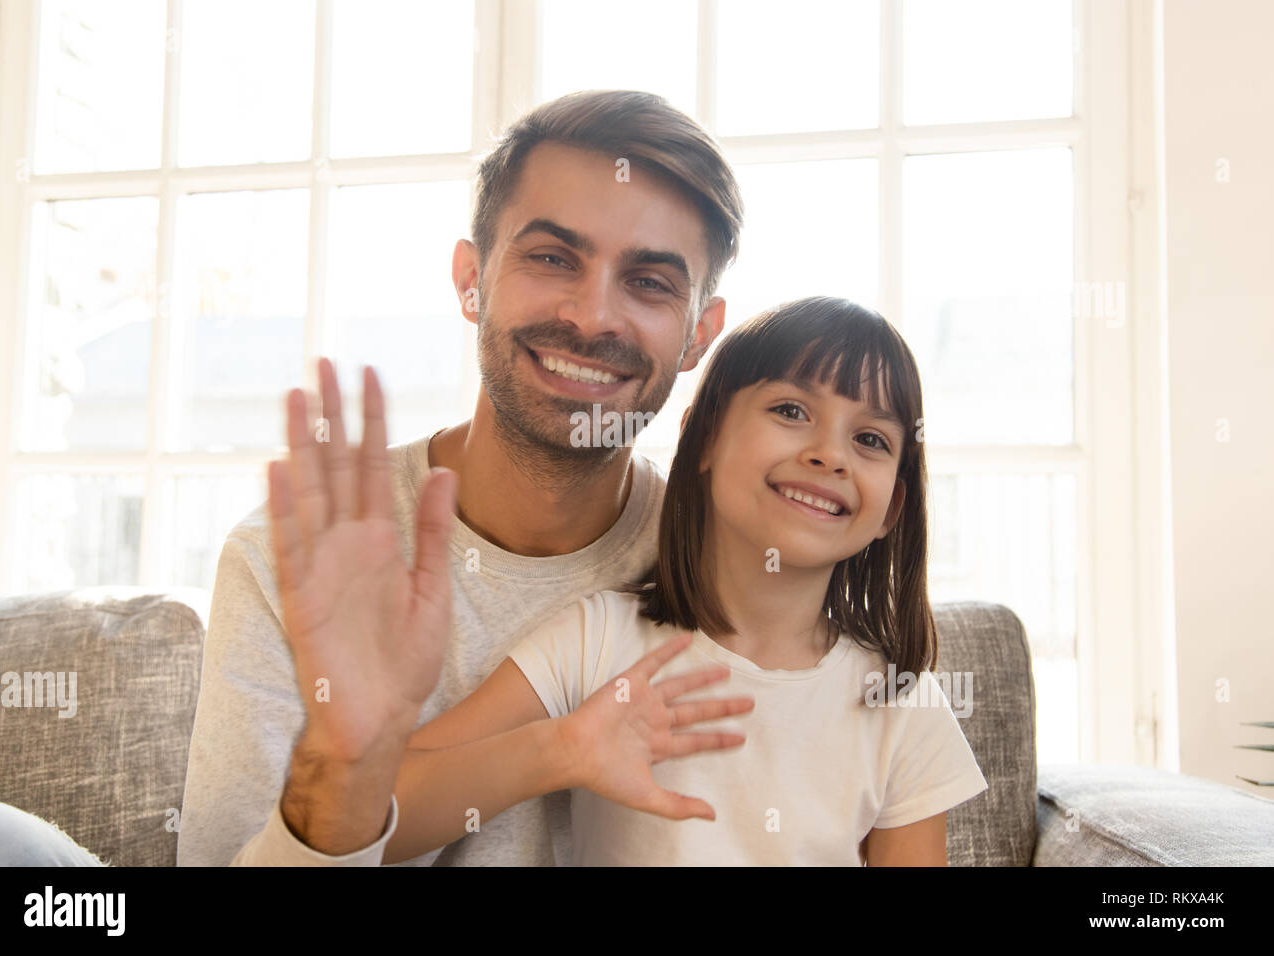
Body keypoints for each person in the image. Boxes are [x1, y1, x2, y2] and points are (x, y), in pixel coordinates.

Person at [175, 89, 748, 866]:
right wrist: (346, 767)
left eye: (648, 282)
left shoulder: (733, 560)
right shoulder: (292, 560)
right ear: (470, 279)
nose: (591, 317)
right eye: (552, 258)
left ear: (697, 337)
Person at [384, 296, 989, 866]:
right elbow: (375, 817)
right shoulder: (597, 638)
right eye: (791, 411)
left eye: (869, 440)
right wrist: (559, 752)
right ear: (703, 439)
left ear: (891, 510)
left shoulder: (901, 701)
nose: (831, 456)